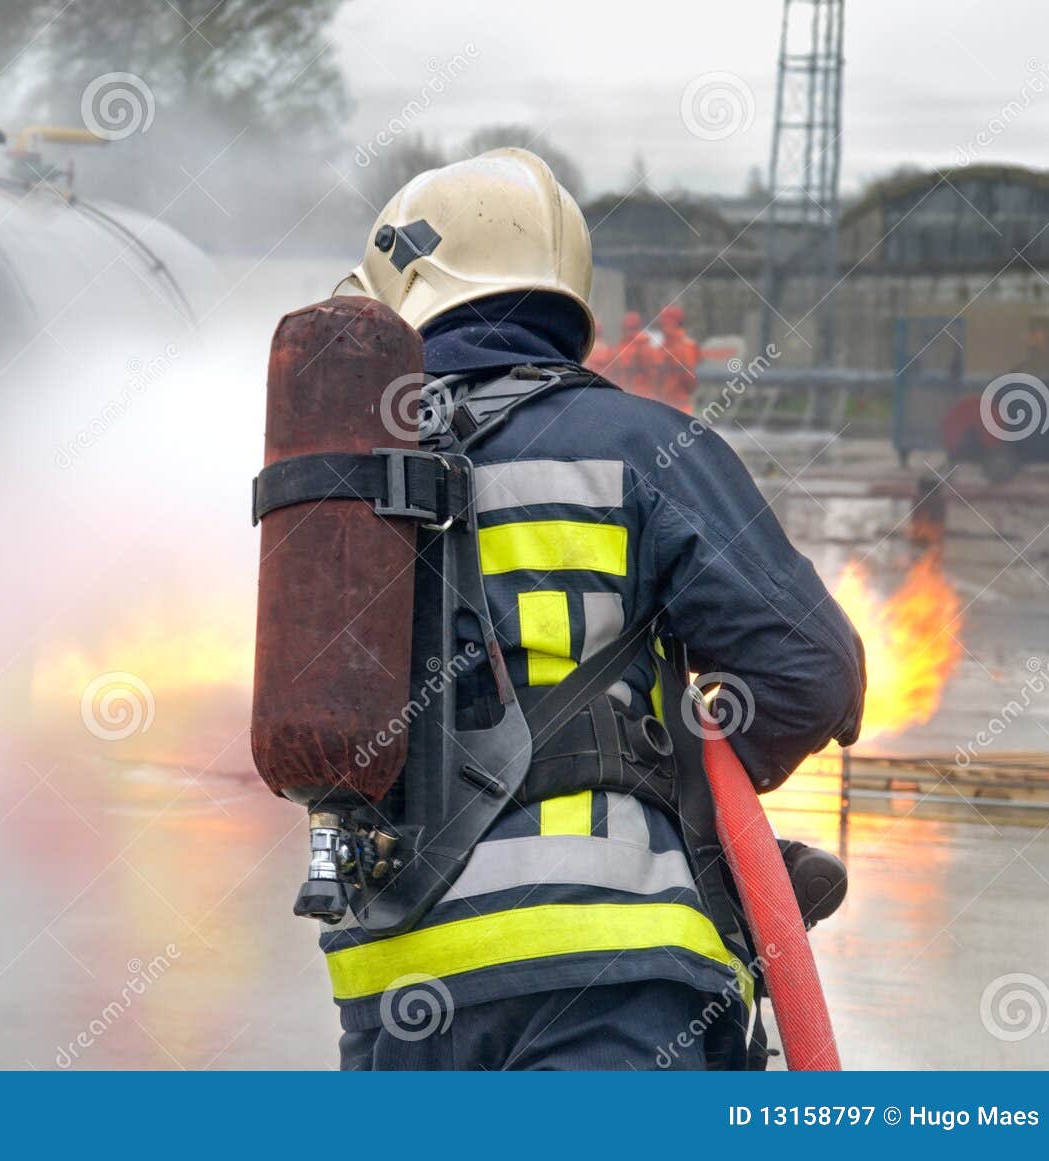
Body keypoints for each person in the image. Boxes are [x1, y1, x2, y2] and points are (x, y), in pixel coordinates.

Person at [327, 148, 865, 1071]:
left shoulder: (340, 482)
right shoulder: (638, 443)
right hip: (612, 979)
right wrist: (696, 793)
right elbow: (810, 669)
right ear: (563, 301)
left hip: (395, 995)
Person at [656, 303, 701, 413]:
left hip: (680, 408)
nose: (662, 325)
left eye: (665, 321)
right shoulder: (662, 347)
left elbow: (691, 382)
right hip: (663, 405)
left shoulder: (686, 347)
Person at [610, 309, 662, 402]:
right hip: (644, 396)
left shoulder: (623, 347)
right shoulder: (647, 346)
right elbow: (655, 374)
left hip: (630, 395)